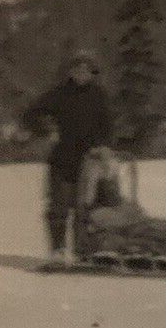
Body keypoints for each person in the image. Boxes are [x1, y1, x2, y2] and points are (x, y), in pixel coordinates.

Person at [22, 49, 115, 260]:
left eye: (87, 70)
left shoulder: (99, 96)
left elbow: (108, 126)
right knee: (58, 207)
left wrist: (104, 147)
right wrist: (47, 130)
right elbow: (30, 114)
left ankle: (83, 251)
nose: (82, 74)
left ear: (93, 72)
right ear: (71, 71)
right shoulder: (59, 94)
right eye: (78, 69)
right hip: (62, 161)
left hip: (90, 162)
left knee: (87, 209)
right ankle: (58, 250)